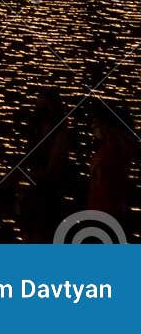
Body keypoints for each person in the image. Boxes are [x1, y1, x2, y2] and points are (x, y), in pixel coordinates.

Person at [17, 90, 75, 243]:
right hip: (39, 184)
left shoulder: (58, 133)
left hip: (48, 189)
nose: (39, 108)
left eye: (42, 104)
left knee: (44, 228)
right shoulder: (38, 129)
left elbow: (53, 167)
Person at [88, 105, 136, 229]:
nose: (93, 127)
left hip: (106, 207)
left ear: (107, 125)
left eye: (96, 124)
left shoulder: (111, 149)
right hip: (108, 206)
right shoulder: (117, 146)